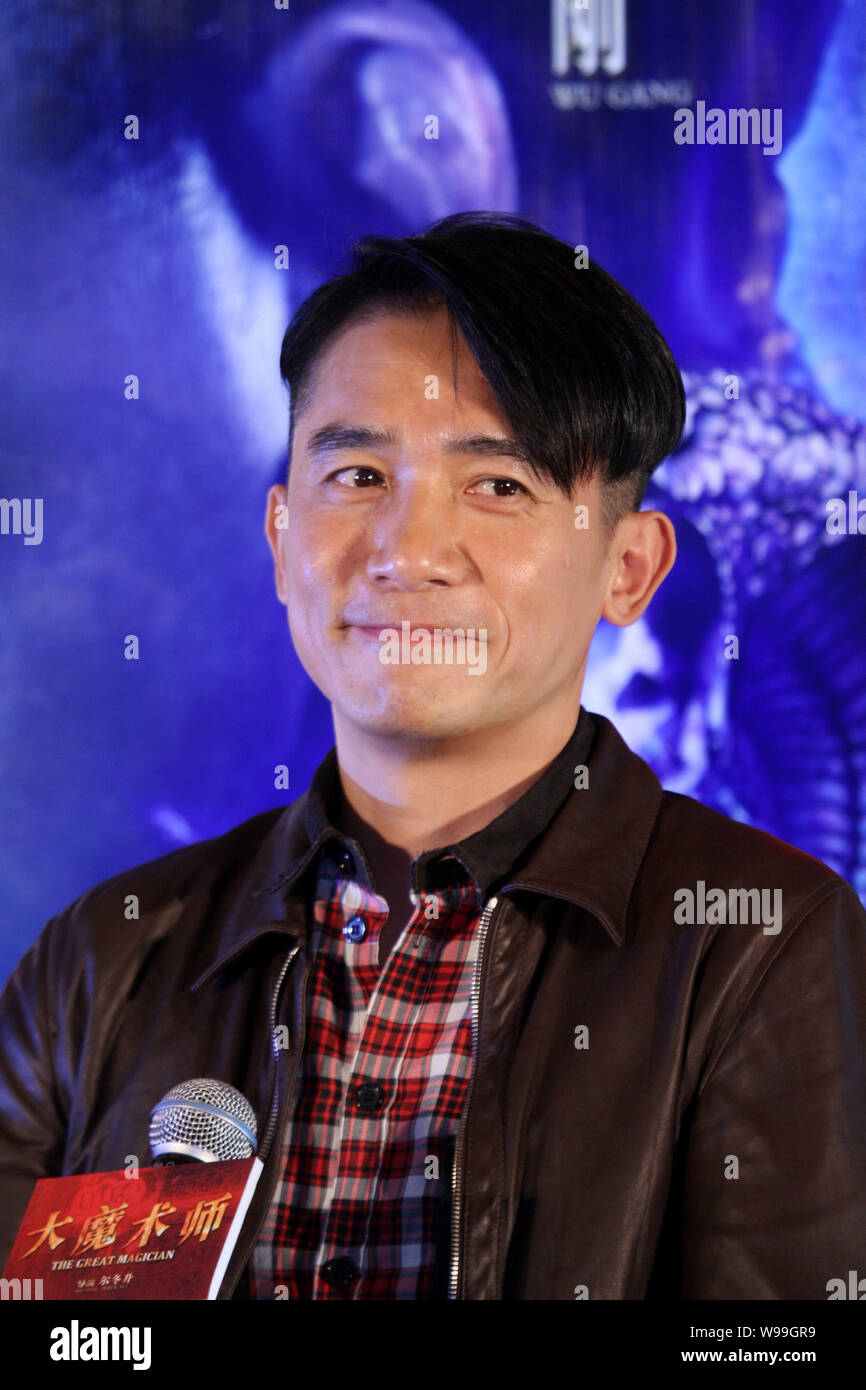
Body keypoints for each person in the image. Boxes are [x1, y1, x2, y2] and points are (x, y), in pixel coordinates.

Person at [1, 211, 864, 1300]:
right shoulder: (103, 960)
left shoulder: (760, 946)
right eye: (357, 473)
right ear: (278, 538)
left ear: (628, 567)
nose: (407, 551)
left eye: (497, 486)